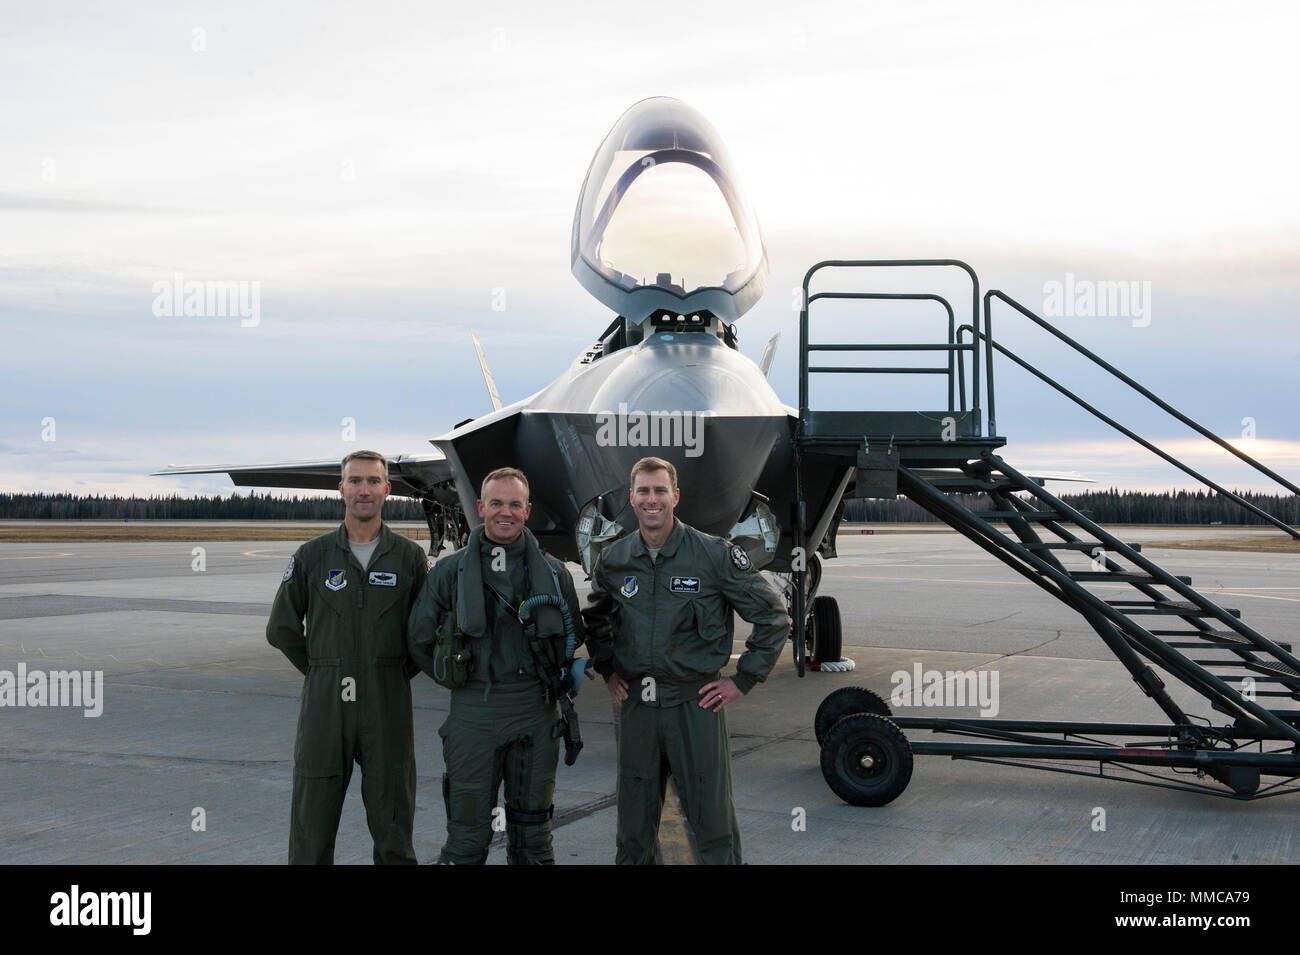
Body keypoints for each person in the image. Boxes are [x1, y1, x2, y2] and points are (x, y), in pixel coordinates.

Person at [582, 456, 790, 865]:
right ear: (631, 498)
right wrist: (607, 668)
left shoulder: (713, 556)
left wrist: (742, 679)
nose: (652, 499)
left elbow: (773, 616)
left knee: (713, 824)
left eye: (660, 491)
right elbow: (596, 617)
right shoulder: (615, 558)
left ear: (675, 496)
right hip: (638, 708)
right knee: (633, 827)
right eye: (643, 491)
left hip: (694, 705)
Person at [408, 467, 583, 864]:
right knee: (467, 840)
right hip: (474, 715)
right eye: (497, 503)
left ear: (528, 510)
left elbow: (571, 631)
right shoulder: (451, 574)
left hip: (535, 713)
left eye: (515, 504)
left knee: (534, 838)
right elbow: (419, 639)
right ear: (481, 507)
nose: (506, 512)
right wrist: (458, 680)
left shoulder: (554, 574)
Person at [266, 450, 429, 864]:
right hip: (326, 707)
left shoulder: (409, 559)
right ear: (341, 488)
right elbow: (281, 628)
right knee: (312, 826)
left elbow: (424, 633)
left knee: (394, 825)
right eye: (355, 480)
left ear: (388, 490)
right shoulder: (311, 556)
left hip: (386, 704)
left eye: (373, 481)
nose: (364, 490)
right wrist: (323, 667)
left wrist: (389, 670)